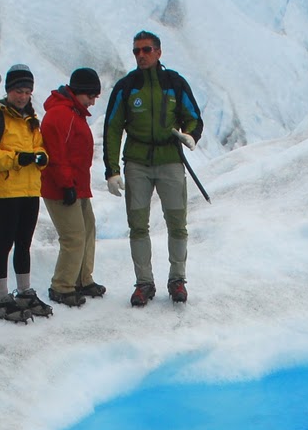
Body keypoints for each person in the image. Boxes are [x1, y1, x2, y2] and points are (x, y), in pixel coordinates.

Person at [102, 30, 205, 306]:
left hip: (170, 161)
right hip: (137, 164)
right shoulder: (126, 87)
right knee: (138, 225)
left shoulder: (175, 83)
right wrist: (112, 170)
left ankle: (177, 279)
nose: (141, 55)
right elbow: (112, 128)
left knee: (177, 223)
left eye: (146, 49)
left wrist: (191, 136)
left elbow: (194, 117)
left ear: (158, 52)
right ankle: (144, 283)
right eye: (137, 51)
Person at [0, 64, 53, 322]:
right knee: (4, 243)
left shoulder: (30, 118)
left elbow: (39, 145)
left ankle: (24, 292)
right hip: (6, 190)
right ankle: (2, 299)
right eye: (19, 91)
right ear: (9, 90)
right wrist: (16, 159)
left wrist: (41, 157)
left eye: (27, 92)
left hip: (30, 188)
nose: (23, 96)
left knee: (24, 243)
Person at [41, 68, 104, 308]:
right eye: (91, 95)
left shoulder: (74, 113)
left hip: (78, 186)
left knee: (87, 230)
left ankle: (82, 279)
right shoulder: (59, 115)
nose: (93, 101)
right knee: (74, 237)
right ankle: (62, 286)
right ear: (79, 91)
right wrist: (66, 185)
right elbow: (56, 155)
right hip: (61, 188)